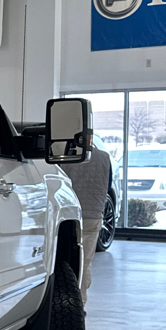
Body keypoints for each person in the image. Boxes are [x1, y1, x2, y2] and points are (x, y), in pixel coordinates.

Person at [68, 129, 114, 303]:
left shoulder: (67, 159)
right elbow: (107, 185)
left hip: (71, 215)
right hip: (94, 214)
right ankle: (81, 302)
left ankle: (73, 303)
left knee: (71, 262)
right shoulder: (104, 157)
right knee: (85, 260)